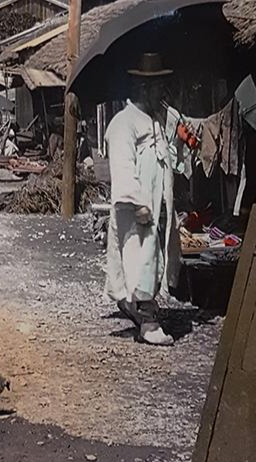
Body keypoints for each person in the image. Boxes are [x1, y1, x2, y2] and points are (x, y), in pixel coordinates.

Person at [104, 53, 182, 346]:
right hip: (137, 208)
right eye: (157, 87)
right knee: (140, 258)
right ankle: (148, 322)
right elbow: (123, 166)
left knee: (153, 258)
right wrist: (138, 203)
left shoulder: (156, 121)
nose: (161, 93)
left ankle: (136, 304)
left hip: (158, 201)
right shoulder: (123, 123)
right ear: (142, 89)